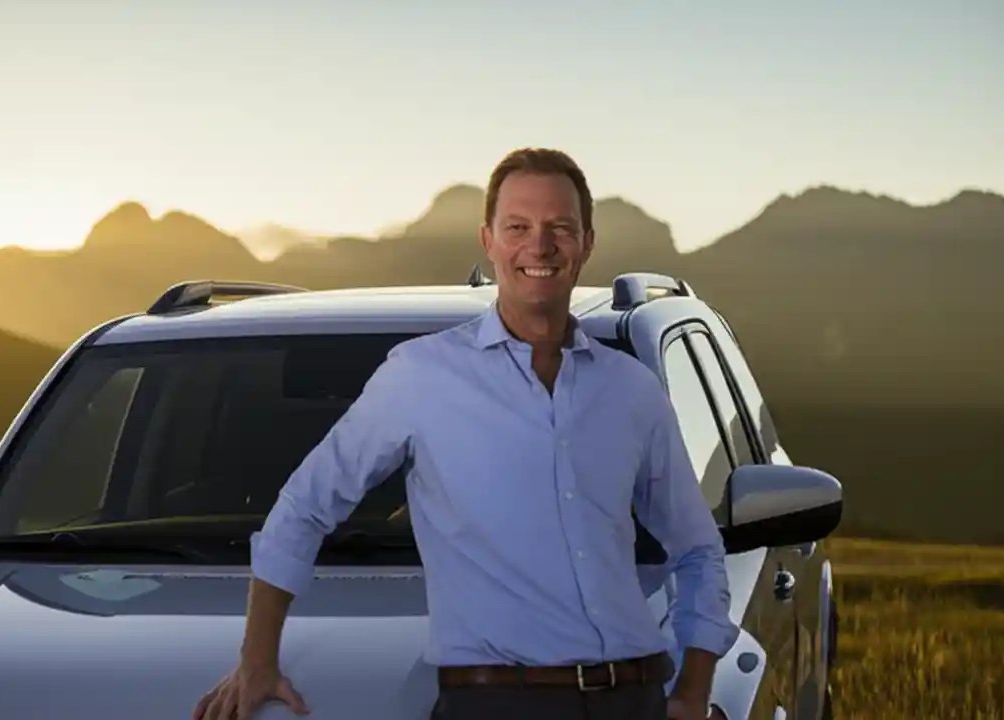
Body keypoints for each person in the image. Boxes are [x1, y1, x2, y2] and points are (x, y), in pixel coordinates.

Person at [192, 148, 738, 720]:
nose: (540, 246)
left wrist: (693, 693)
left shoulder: (632, 389)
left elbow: (698, 548)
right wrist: (258, 660)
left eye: (560, 228)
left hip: (637, 697)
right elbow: (305, 505)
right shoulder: (421, 376)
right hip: (494, 701)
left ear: (587, 243)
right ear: (488, 240)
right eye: (519, 227)